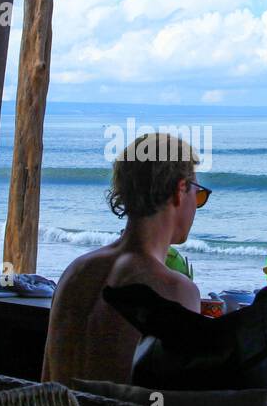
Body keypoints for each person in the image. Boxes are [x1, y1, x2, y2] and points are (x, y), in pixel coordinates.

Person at [43, 133, 205, 384]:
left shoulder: (75, 272)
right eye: (199, 194)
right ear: (179, 190)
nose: (197, 205)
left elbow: (46, 381)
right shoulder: (177, 291)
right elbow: (174, 403)